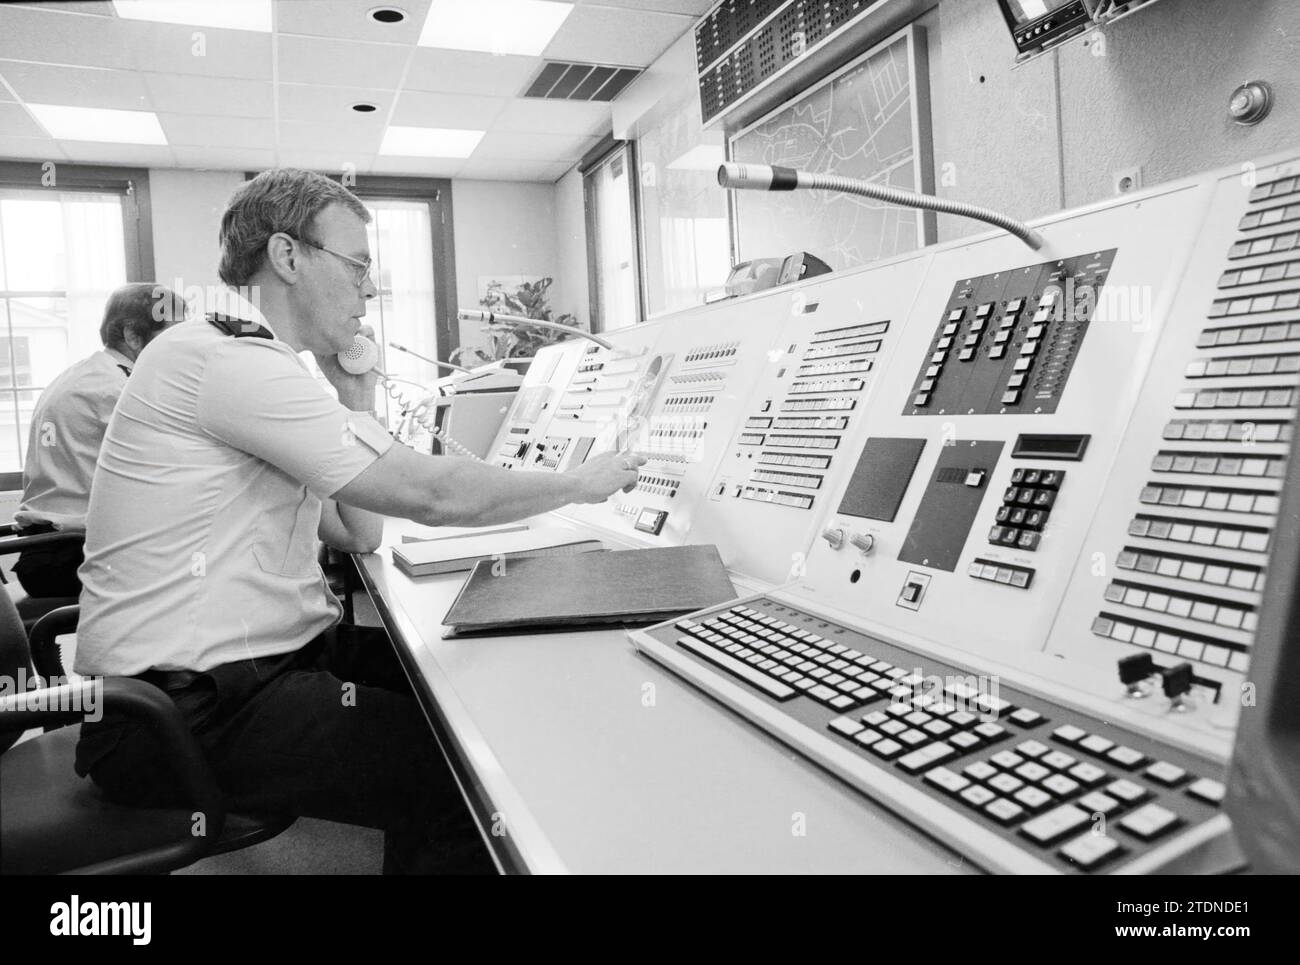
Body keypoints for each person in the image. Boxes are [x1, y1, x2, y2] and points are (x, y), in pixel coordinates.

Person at [72, 168, 645, 873]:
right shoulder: (224, 359)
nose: (369, 288)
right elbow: (430, 494)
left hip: (248, 674)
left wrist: (354, 400)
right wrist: (578, 483)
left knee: (466, 682)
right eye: (358, 264)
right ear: (287, 257)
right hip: (182, 715)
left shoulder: (252, 365)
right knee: (471, 778)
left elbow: (358, 533)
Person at [13, 283, 186, 598]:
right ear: (134, 335)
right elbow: (175, 464)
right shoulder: (115, 389)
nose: (183, 348)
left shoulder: (85, 374)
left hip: (47, 550)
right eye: (172, 335)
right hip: (69, 555)